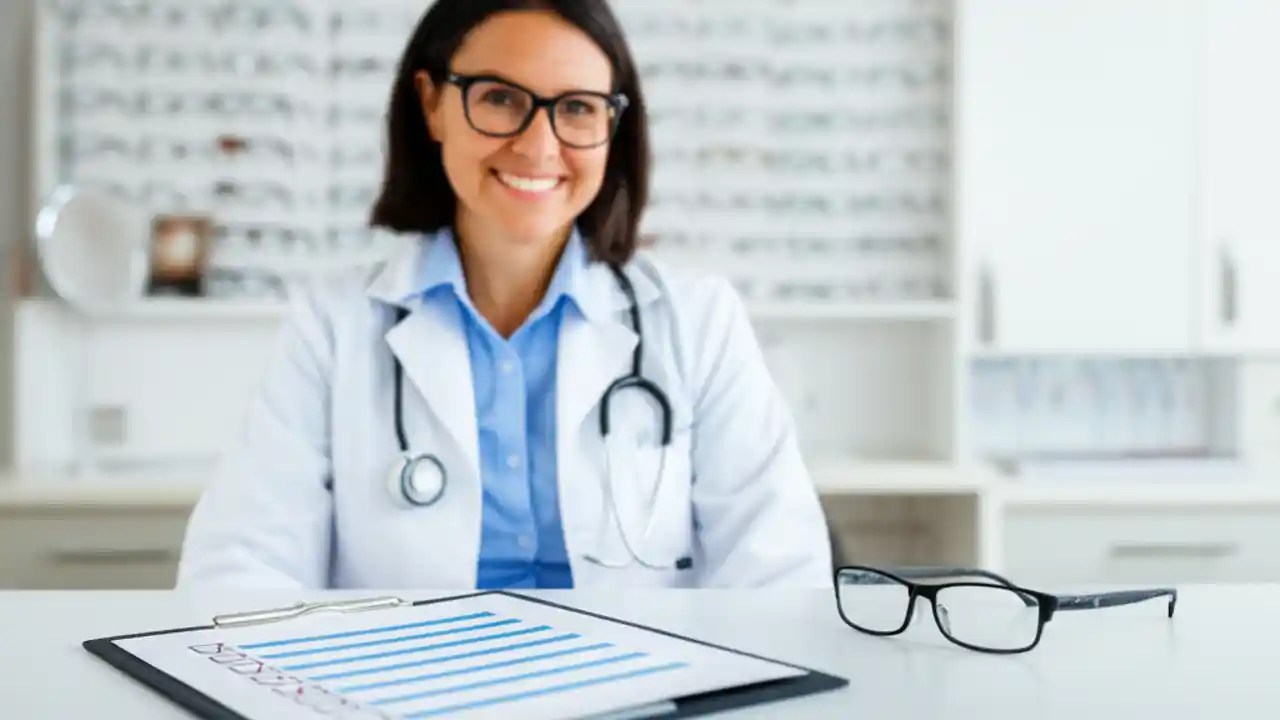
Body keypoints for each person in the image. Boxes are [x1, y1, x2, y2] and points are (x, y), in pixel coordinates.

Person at [177, 0, 832, 591]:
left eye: (577, 107)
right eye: (499, 99)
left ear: (613, 125)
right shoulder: (334, 324)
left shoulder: (697, 320)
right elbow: (241, 570)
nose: (538, 145)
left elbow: (776, 574)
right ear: (432, 104)